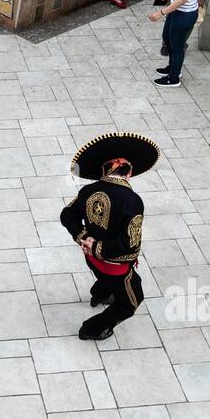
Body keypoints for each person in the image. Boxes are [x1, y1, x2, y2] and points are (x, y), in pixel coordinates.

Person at [60, 132, 159, 341]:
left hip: (91, 259)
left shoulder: (88, 190)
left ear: (104, 170)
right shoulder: (132, 201)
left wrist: (83, 238)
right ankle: (92, 328)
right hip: (115, 268)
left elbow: (67, 215)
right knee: (132, 300)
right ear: (129, 173)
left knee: (102, 275)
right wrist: (96, 246)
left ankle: (101, 293)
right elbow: (130, 247)